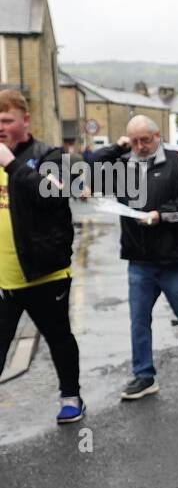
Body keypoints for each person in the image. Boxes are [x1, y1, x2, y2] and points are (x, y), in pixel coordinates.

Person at [94, 115, 178, 399]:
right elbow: (92, 168)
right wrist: (117, 147)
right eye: (134, 141)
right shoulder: (123, 162)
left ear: (157, 136)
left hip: (175, 256)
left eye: (145, 140)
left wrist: (160, 216)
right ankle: (144, 375)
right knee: (139, 318)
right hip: (140, 258)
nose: (140, 146)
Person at [0, 89, 84, 422]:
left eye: (7, 119)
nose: (1, 126)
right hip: (5, 278)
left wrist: (11, 163)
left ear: (25, 120)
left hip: (44, 274)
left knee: (59, 339)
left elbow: (51, 196)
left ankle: (71, 396)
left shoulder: (48, 156)